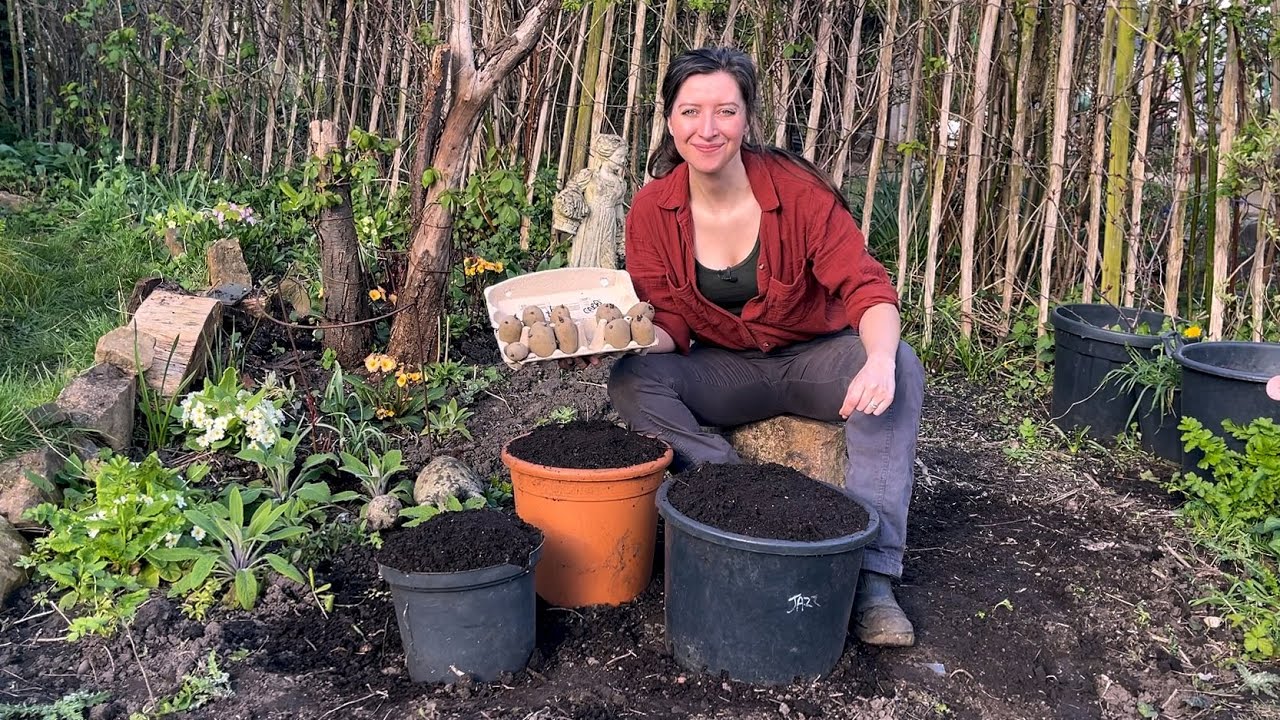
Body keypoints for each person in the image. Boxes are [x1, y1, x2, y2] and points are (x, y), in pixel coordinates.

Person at [607, 47, 925, 647]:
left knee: (901, 367)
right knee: (630, 378)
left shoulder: (796, 192)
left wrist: (879, 359)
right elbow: (671, 325)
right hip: (727, 369)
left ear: (746, 118)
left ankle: (872, 579)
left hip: (814, 359)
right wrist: (619, 338)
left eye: (724, 111)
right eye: (691, 112)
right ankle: (733, 489)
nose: (707, 129)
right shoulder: (652, 209)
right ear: (670, 120)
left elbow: (866, 287)